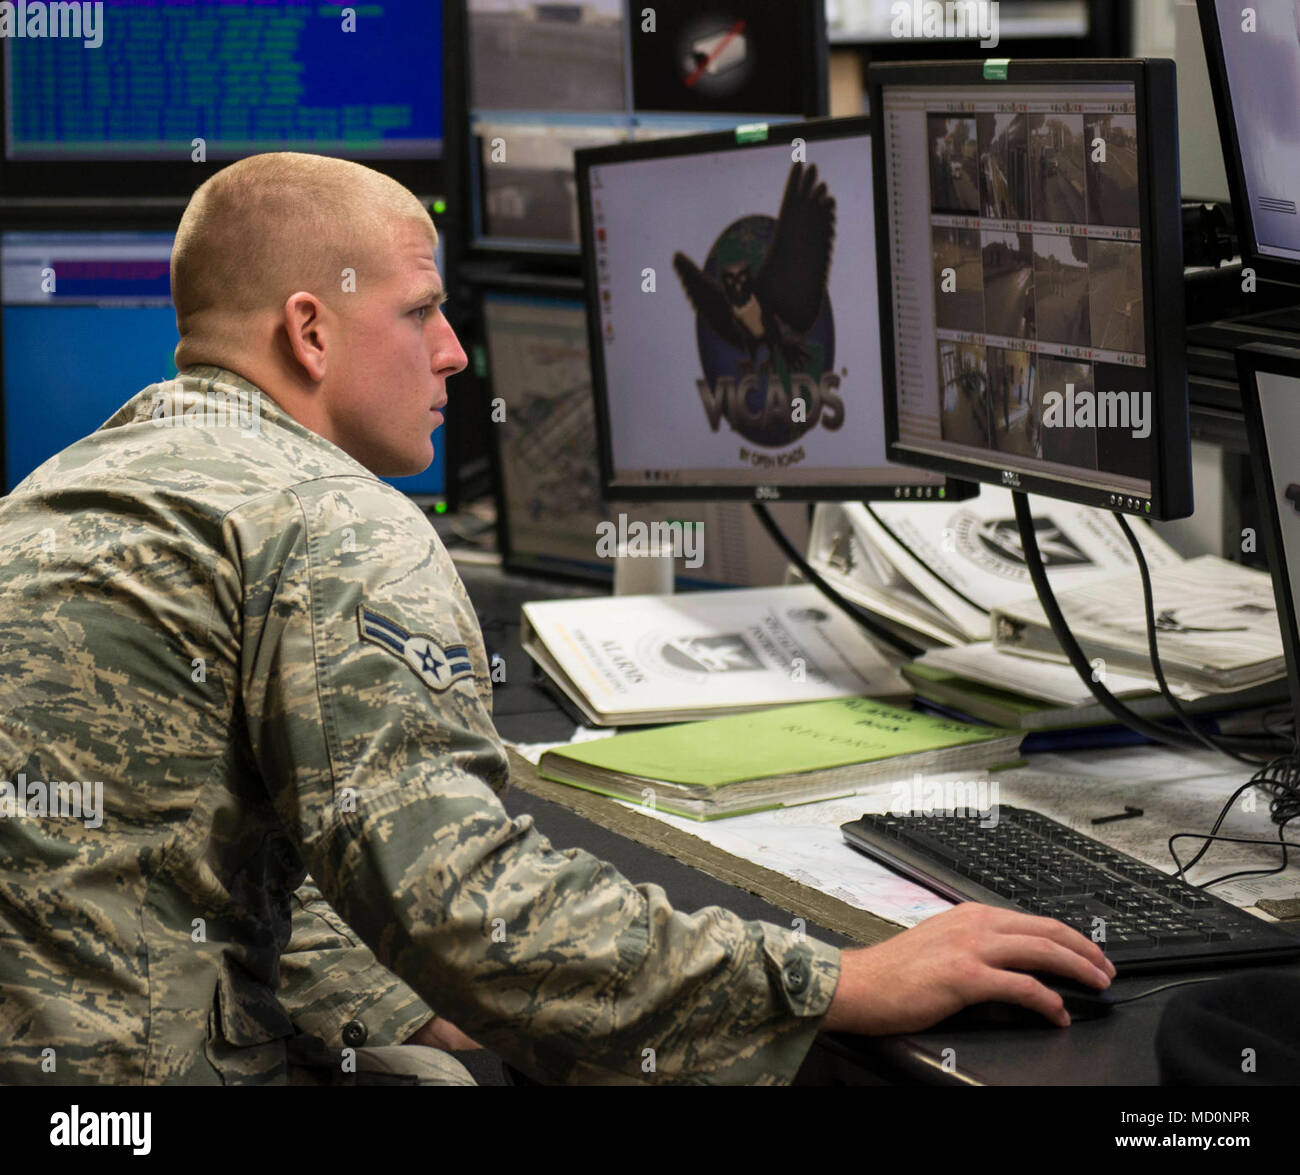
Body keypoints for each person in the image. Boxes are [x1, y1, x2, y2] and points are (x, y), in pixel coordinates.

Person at [0, 153, 1113, 1086]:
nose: (453, 353)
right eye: (422, 311)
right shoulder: (332, 519)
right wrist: (840, 977)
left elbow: (149, 852)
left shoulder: (64, 489)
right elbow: (470, 907)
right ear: (310, 330)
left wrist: (397, 996)